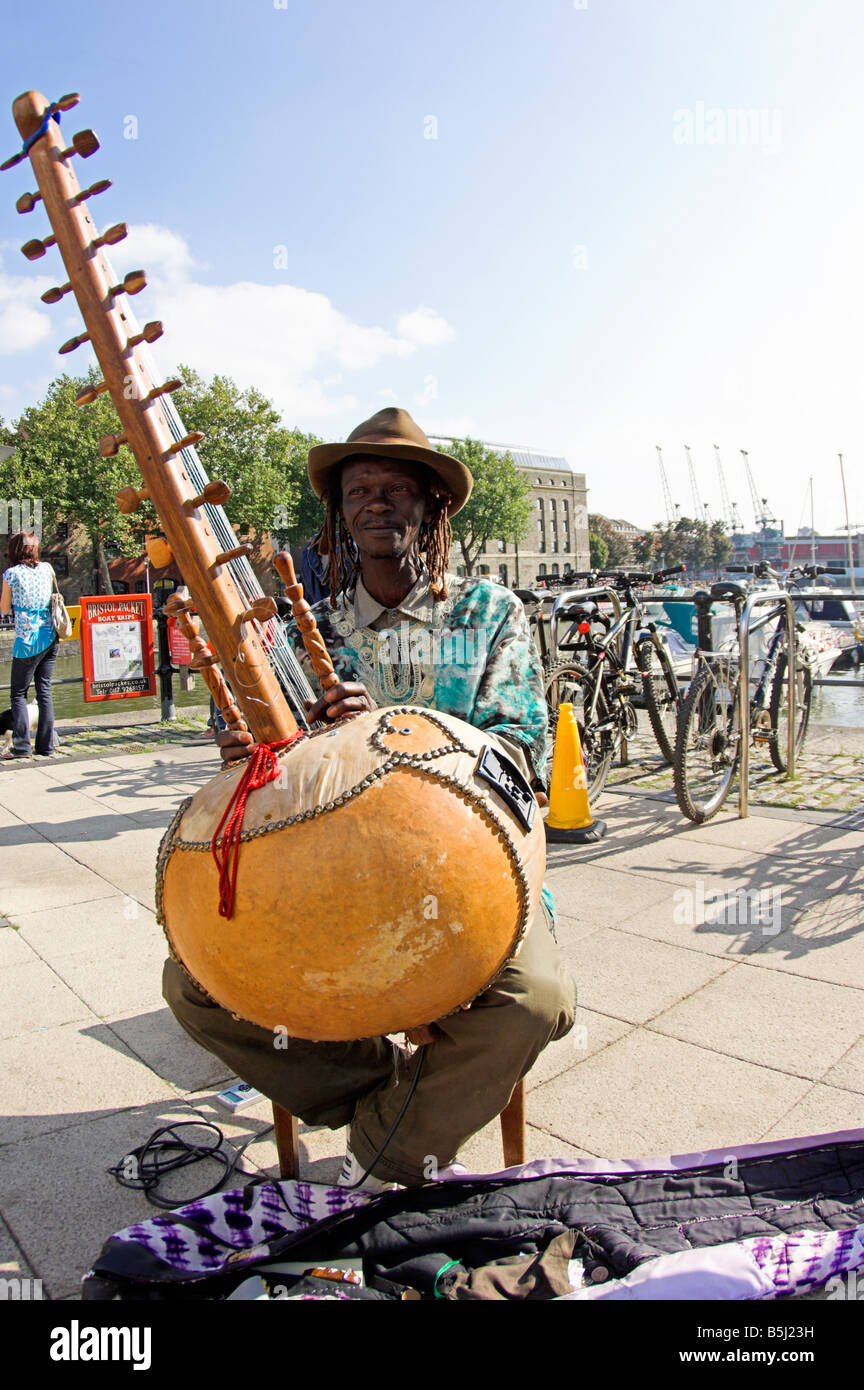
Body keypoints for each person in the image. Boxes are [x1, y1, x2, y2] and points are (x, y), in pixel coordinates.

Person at [163, 408, 575, 1188]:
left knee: (534, 1001)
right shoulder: (301, 630)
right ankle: (388, 1103)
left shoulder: (490, 616)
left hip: (468, 890)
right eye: (359, 489)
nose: (376, 502)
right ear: (339, 512)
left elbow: (522, 766)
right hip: (324, 894)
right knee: (196, 983)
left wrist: (391, 731)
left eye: (395, 487)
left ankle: (383, 1152)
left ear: (433, 507)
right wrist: (249, 764)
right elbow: (269, 779)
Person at [1, 531, 59, 760]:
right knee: (44, 690)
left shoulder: (11, 574)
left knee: (18, 693)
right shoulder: (48, 569)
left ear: (15, 550)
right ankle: (46, 746)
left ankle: (22, 747)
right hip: (50, 636)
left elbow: (4, 609)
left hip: (27, 641)